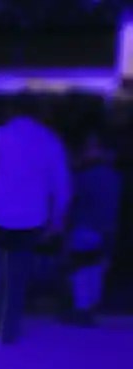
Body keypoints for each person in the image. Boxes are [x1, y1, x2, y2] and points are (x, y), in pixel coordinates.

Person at [0, 93, 70, 343]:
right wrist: (57, 219)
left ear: (12, 110)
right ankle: (8, 329)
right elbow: (60, 184)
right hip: (32, 218)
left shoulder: (1, 135)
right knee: (18, 277)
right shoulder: (50, 140)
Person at [66, 129, 120, 326]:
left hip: (85, 227)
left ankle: (82, 309)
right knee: (94, 269)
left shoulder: (85, 177)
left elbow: (73, 202)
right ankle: (89, 307)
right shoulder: (113, 177)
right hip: (104, 228)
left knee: (82, 269)